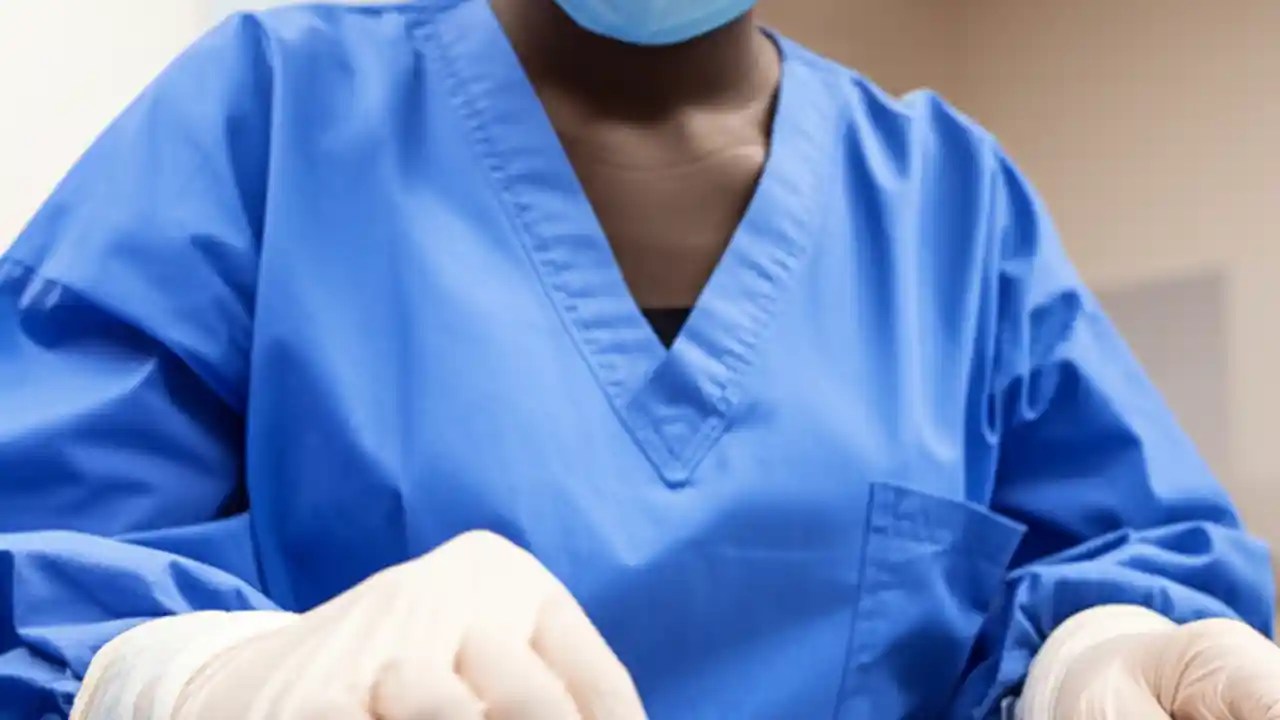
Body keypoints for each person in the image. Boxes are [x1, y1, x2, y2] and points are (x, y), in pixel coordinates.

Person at [1, 0, 1277, 717]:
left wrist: (1092, 655)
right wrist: (188, 679)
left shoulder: (949, 201)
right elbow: (38, 552)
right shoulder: (273, 114)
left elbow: (1118, 557)